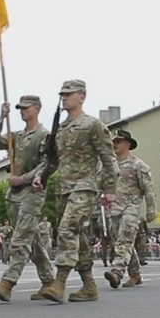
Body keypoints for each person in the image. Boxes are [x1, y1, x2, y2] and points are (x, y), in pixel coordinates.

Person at [35, 80, 119, 303]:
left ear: (81, 96)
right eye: (62, 94)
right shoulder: (60, 129)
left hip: (85, 187)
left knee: (67, 229)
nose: (64, 97)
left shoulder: (93, 125)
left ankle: (59, 282)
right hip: (63, 189)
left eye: (69, 94)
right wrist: (40, 176)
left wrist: (110, 188)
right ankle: (89, 285)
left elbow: (108, 158)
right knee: (77, 237)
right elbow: (53, 160)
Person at [0, 97, 56, 302]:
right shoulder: (18, 136)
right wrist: (1, 118)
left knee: (21, 238)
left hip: (33, 192)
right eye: (19, 109)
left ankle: (8, 282)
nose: (22, 111)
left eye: (26, 108)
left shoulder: (44, 136)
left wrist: (23, 179)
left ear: (37, 109)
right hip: (16, 194)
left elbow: (48, 164)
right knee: (33, 241)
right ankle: (49, 281)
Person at [103, 130, 156, 289]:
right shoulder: (110, 165)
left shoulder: (138, 165)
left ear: (128, 144)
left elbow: (148, 188)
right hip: (114, 209)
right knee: (123, 243)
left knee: (125, 238)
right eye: (113, 142)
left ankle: (117, 271)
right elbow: (103, 184)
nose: (115, 145)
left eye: (118, 142)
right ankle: (135, 274)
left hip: (131, 207)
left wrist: (151, 209)